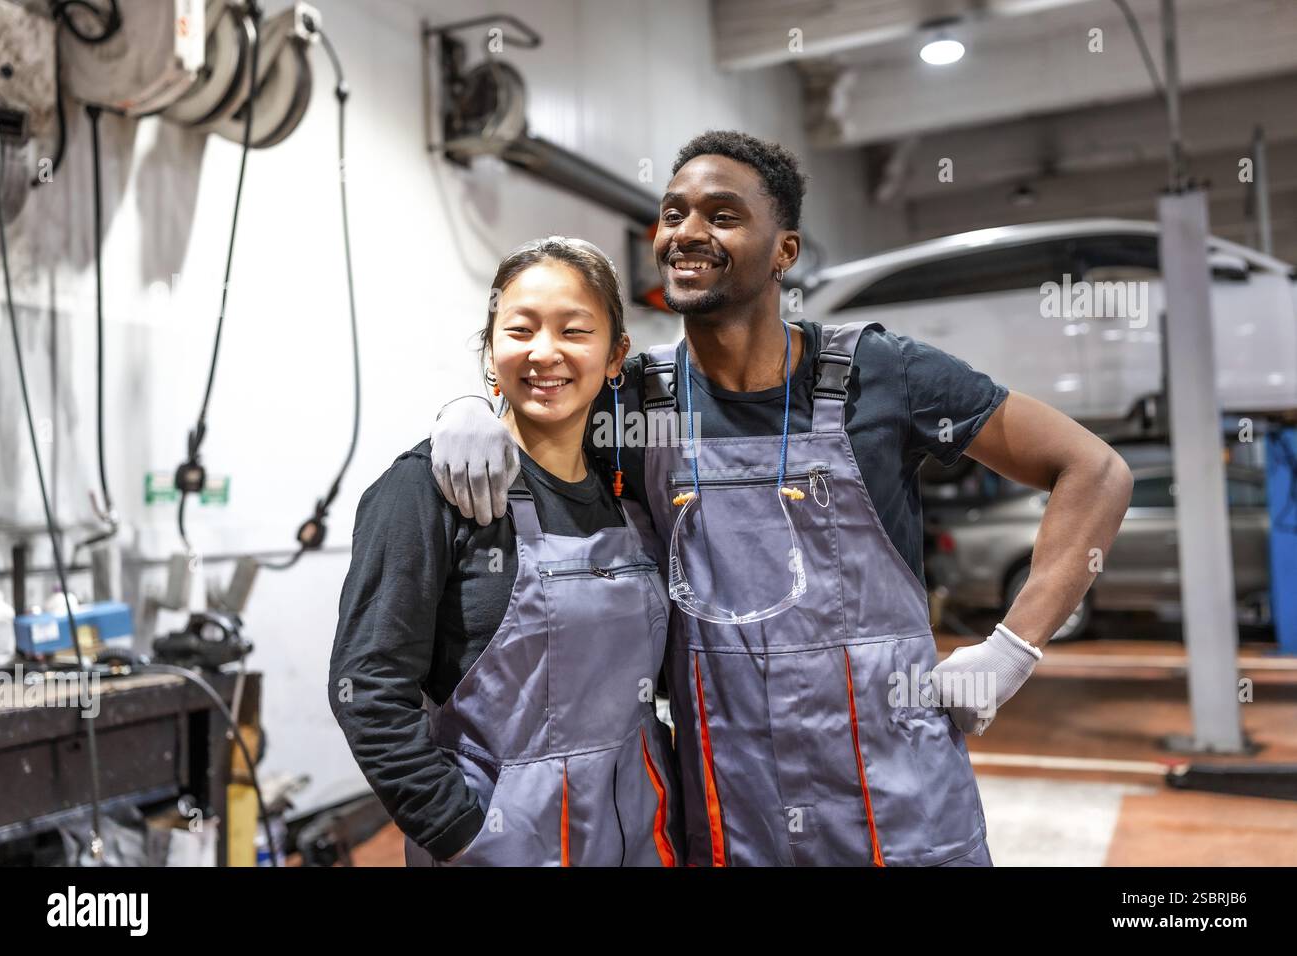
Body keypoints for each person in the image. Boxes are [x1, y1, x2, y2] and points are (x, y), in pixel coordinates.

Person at [428, 132, 1134, 867]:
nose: (687, 233)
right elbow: (536, 385)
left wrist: (1011, 650)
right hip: (733, 817)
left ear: (785, 251)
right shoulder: (633, 399)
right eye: (674, 214)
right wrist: (467, 410)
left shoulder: (881, 375)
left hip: (900, 809)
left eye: (722, 215)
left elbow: (1094, 471)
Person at [329, 237, 682, 866]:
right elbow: (368, 685)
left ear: (615, 355)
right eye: (520, 330)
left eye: (575, 330)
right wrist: (461, 832)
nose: (545, 352)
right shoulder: (427, 489)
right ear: (491, 353)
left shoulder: (628, 491)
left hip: (643, 837)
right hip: (504, 849)